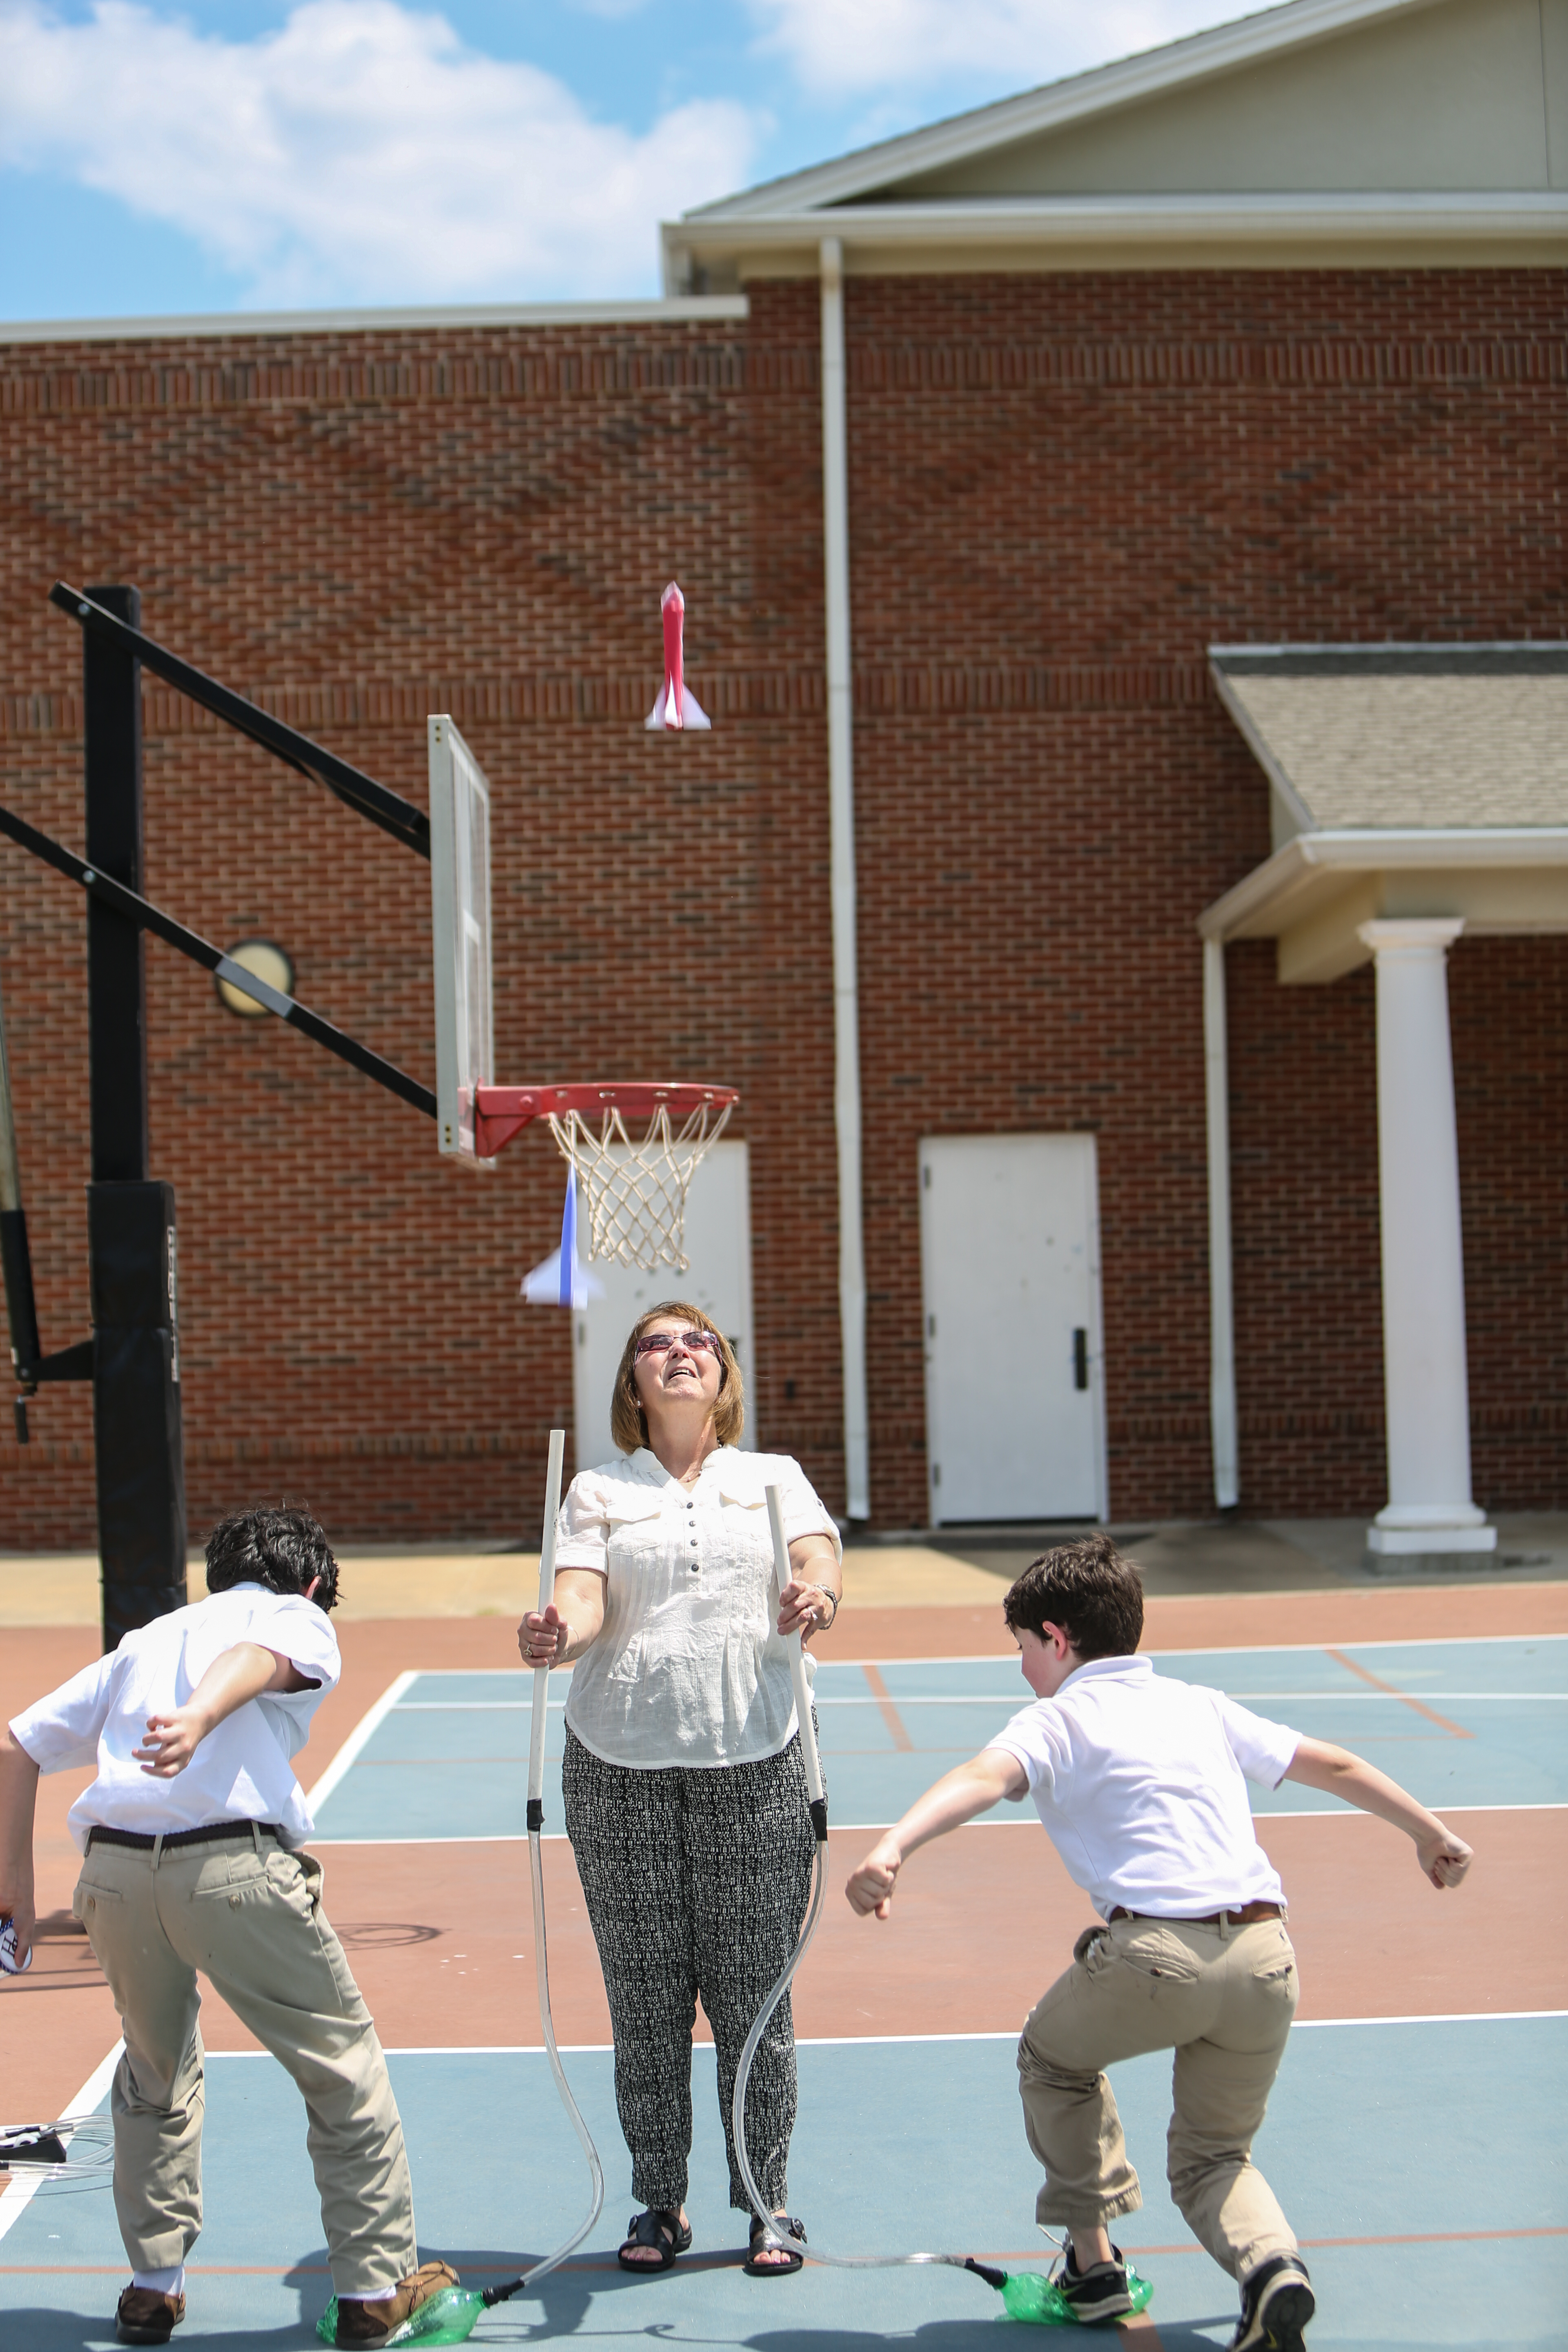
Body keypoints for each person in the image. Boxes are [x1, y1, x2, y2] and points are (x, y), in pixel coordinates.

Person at [845, 1532, 1473, 2352]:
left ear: (1058, 1640)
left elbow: (979, 1779)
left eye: (1024, 1647)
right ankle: (1273, 2268)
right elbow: (1337, 1765)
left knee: (1053, 2059)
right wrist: (1429, 1833)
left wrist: (894, 1847)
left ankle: (1093, 2264)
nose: (1023, 1666)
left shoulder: (1058, 1717)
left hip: (1157, 1959)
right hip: (1267, 1957)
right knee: (1215, 2156)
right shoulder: (1198, 1702)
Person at [0, 1507, 459, 2350]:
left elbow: (19, 1744)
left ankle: (152, 2287)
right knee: (340, 2068)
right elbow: (259, 1658)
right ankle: (373, 2290)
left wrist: (14, 1894)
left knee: (154, 2071)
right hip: (230, 1873)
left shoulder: (150, 1636)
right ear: (316, 1583)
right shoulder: (295, 1614)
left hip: (112, 1876)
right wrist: (202, 1716)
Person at [519, 1302, 842, 2278]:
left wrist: (818, 1596)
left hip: (757, 1759)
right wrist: (556, 1634)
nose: (679, 1353)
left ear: (723, 1371)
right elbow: (582, 1597)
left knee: (755, 1998)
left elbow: (818, 1560)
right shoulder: (599, 1490)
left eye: (697, 1340)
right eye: (657, 1344)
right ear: (634, 1382)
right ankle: (659, 2202)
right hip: (618, 1769)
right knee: (646, 1999)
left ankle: (766, 2201)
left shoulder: (772, 1479)